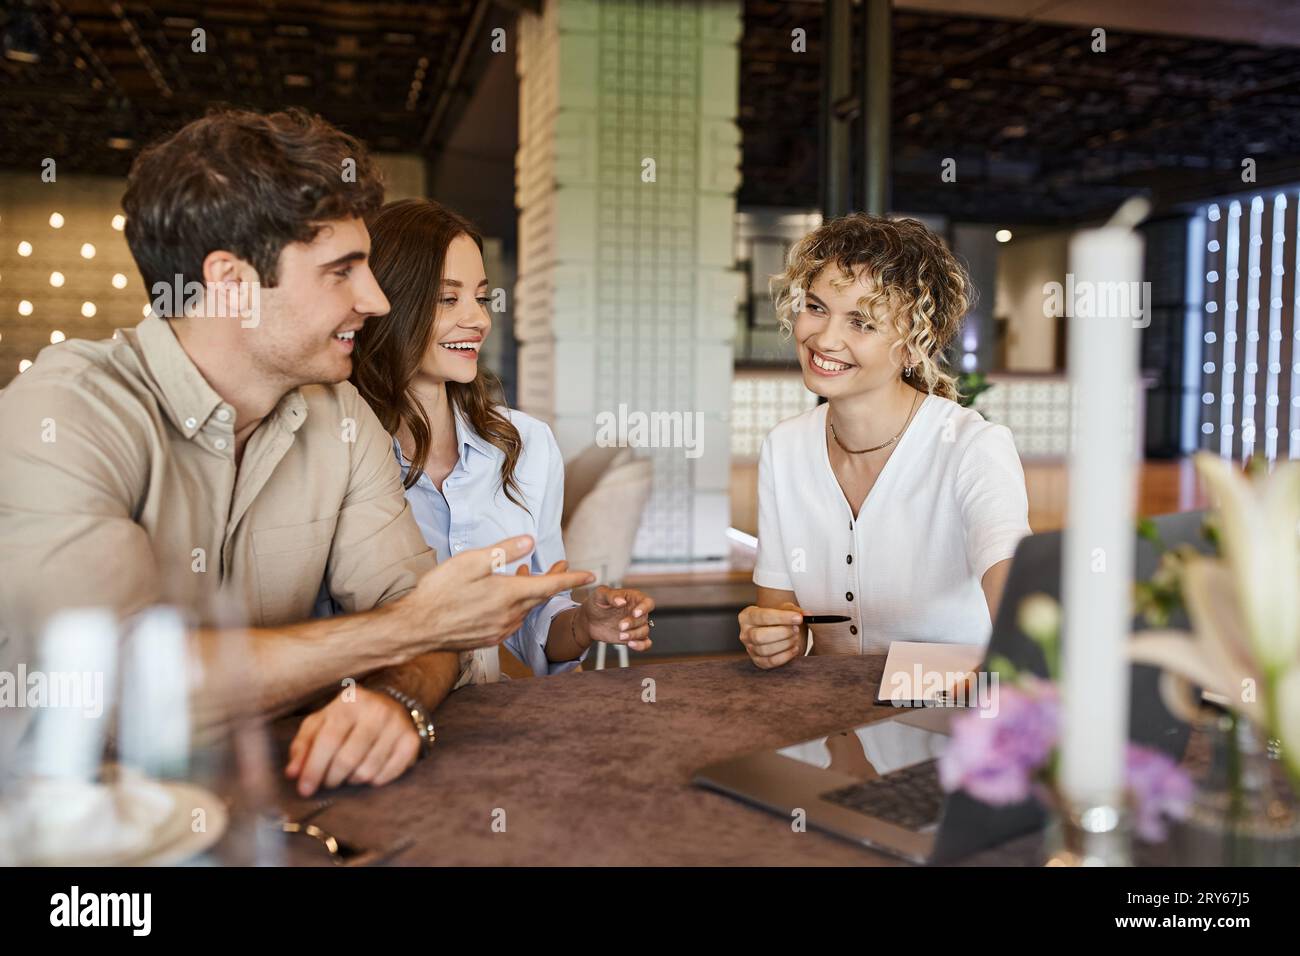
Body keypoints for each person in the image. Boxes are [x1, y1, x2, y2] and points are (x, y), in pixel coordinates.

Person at [0, 108, 590, 796]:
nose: (373, 301)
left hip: (277, 794)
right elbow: (123, 687)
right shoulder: (63, 411)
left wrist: (396, 696)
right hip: (65, 818)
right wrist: (403, 630)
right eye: (342, 272)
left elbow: (433, 633)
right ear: (231, 282)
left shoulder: (339, 417)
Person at [336, 198, 655, 687]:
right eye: (448, 298)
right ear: (385, 302)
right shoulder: (340, 452)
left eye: (481, 298)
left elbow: (538, 620)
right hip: (372, 723)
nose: (479, 320)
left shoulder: (528, 445)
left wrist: (584, 623)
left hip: (492, 729)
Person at [737, 214, 1031, 669]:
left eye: (862, 322)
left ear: (914, 345)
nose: (825, 338)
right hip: (830, 722)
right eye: (816, 307)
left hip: (949, 721)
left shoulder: (972, 445)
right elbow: (779, 615)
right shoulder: (785, 447)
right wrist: (776, 638)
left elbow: (1013, 582)